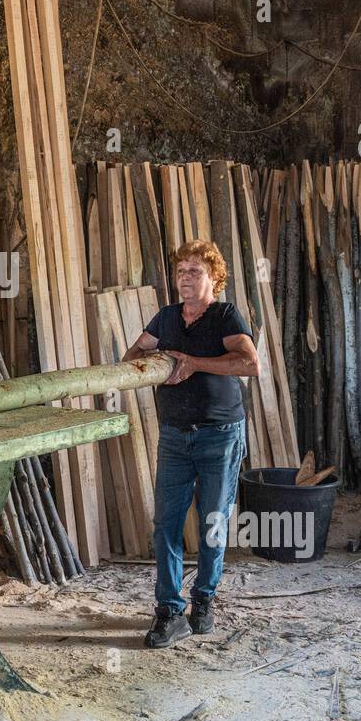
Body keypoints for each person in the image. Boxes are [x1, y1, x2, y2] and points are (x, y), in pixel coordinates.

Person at [123, 239, 259, 649]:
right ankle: (168, 610)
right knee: (166, 523)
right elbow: (132, 356)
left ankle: (204, 599)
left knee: (212, 521)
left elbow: (250, 364)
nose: (185, 278)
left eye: (195, 271)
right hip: (175, 435)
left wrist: (194, 362)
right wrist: (159, 361)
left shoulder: (225, 316)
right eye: (181, 271)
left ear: (214, 278)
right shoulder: (165, 318)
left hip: (219, 434)